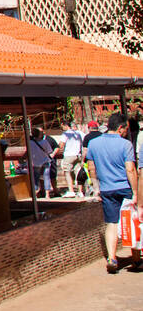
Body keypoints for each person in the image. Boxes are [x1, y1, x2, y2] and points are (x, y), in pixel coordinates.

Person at [84, 112, 141, 273]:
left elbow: (92, 168)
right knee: (131, 221)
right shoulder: (126, 145)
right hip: (125, 188)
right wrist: (135, 192)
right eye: (125, 129)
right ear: (120, 128)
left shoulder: (94, 144)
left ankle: (112, 258)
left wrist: (96, 189)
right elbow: (130, 169)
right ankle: (136, 259)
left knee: (112, 223)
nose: (126, 132)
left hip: (106, 189)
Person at [60, 122, 85, 198]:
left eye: (62, 126)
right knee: (77, 172)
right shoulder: (77, 134)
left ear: (66, 125)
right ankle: (80, 191)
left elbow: (61, 145)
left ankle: (71, 191)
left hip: (69, 154)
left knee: (67, 172)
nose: (62, 128)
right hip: (77, 154)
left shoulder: (65, 134)